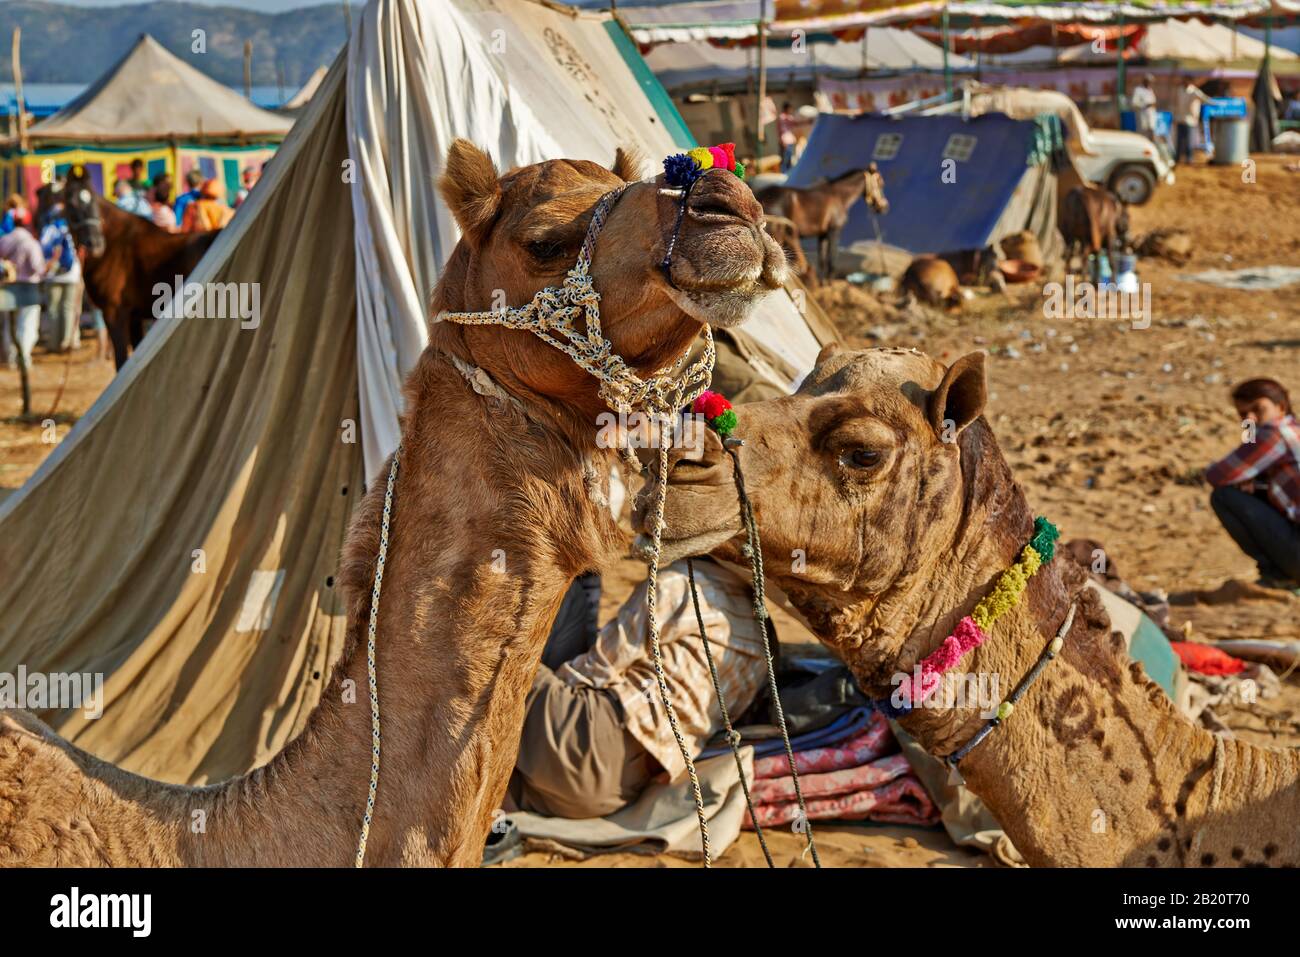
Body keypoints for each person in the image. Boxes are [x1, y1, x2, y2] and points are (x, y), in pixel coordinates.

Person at [507, 558, 769, 819]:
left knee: (563, 597)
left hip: (584, 741)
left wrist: (543, 683)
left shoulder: (680, 583)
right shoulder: (762, 629)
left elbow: (596, 670)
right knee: (504, 783)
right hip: (610, 794)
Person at [1206, 378, 1300, 593]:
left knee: (1224, 496)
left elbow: (1217, 475)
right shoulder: (1292, 430)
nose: (1250, 419)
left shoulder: (1275, 433)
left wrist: (1244, 479)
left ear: (1281, 407)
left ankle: (1277, 576)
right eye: (1243, 415)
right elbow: (1247, 451)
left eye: (1258, 409)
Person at [38, 199, 83, 353]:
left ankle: (53, 343)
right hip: (72, 273)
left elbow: (44, 250)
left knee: (53, 310)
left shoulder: (48, 229)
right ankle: (67, 341)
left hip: (52, 274)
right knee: (68, 308)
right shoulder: (71, 228)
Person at [0, 223, 47, 370]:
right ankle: (23, 358)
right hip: (28, 287)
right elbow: (37, 268)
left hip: (8, 286)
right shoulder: (31, 243)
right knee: (27, 324)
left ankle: (11, 357)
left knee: (10, 324)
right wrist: (49, 266)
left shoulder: (4, 241)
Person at [1173, 75, 1212, 164]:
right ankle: (1178, 158)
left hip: (1190, 120)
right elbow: (1176, 104)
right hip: (1180, 119)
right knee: (1179, 141)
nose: (1185, 83)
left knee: (1189, 141)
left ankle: (1189, 158)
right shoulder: (1179, 90)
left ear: (1190, 82)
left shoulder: (1194, 91)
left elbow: (1205, 99)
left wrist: (1218, 103)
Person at [1131, 73, 1159, 141]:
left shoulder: (1150, 90)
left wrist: (1153, 105)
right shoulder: (1138, 90)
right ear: (1145, 81)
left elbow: (1153, 102)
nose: (1150, 83)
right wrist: (1145, 105)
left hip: (1151, 116)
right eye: (1148, 81)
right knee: (1142, 135)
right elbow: (1134, 103)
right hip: (1142, 116)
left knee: (1151, 133)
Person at [777, 101, 798, 172]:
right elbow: (781, 130)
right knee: (785, 159)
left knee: (789, 158)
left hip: (790, 141)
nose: (791, 110)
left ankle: (789, 173)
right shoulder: (782, 117)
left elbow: (796, 124)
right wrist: (782, 141)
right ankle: (783, 173)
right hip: (785, 141)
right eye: (790, 108)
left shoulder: (790, 117)